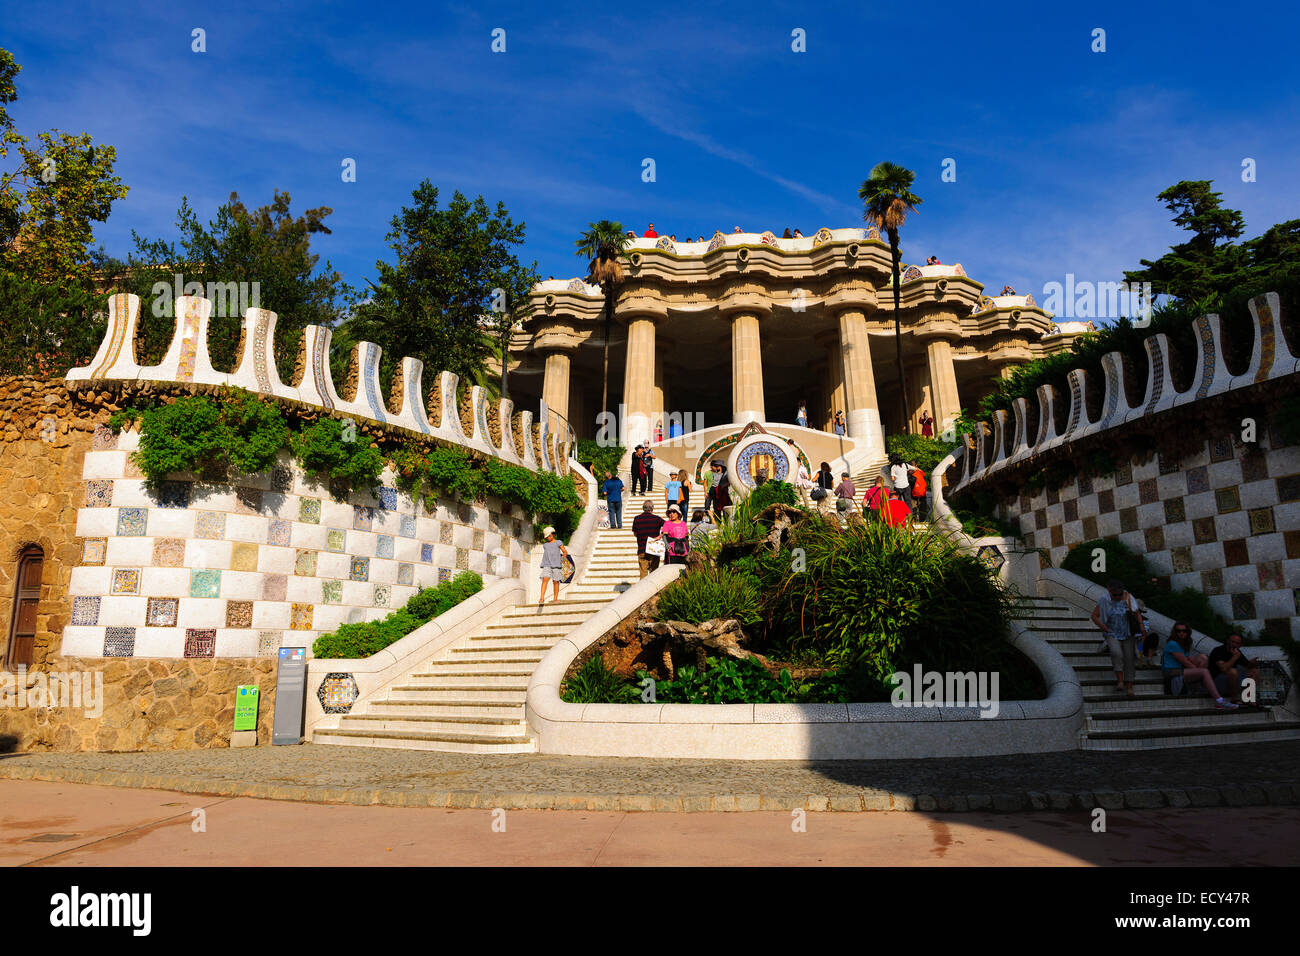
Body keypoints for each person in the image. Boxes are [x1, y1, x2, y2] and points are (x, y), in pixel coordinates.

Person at [1090, 580, 1147, 698]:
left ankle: (1129, 686)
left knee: (1129, 658)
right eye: (1114, 595)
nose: (1117, 597)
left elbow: (1137, 614)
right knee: (1116, 653)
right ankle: (1120, 681)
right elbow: (1094, 616)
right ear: (1109, 591)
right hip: (1112, 632)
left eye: (1119, 595)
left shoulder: (1129, 598)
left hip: (1128, 632)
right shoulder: (1104, 600)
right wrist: (1104, 627)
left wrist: (1141, 627)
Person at [1163, 623, 1238, 709]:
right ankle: (1219, 700)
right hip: (1172, 672)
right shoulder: (1173, 644)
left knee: (1203, 657)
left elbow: (1189, 659)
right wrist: (1201, 673)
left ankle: (1202, 685)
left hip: (1181, 670)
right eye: (1178, 631)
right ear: (1174, 632)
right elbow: (1186, 663)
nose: (1181, 633)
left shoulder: (1183, 644)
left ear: (1188, 632)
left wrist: (1200, 662)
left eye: (1184, 631)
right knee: (1204, 672)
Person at [1208, 632, 1261, 704]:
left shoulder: (1237, 652)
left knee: (1255, 672)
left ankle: (1248, 699)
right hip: (1216, 684)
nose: (1234, 645)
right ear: (1228, 641)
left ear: (1240, 645)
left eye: (1237, 643)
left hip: (1233, 682)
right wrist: (1235, 657)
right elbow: (1223, 669)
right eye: (1232, 642)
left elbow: (1246, 665)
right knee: (1232, 671)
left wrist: (1252, 664)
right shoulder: (1218, 651)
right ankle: (1234, 699)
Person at [632, 501, 665, 578]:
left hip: (642, 549)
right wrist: (661, 535)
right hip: (654, 549)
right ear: (652, 508)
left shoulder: (637, 519)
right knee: (654, 573)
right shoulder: (657, 519)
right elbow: (668, 526)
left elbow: (635, 533)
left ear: (643, 508)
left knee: (643, 574)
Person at [538, 526, 569, 606]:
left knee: (555, 582)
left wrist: (564, 554)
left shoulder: (558, 542)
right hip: (547, 564)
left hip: (556, 565)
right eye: (547, 536)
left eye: (549, 535)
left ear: (553, 534)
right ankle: (542, 597)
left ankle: (555, 598)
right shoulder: (545, 545)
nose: (548, 537)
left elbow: (564, 551)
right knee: (545, 579)